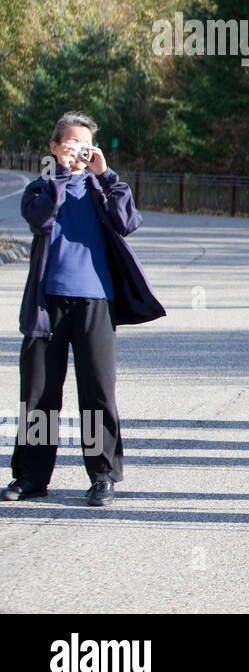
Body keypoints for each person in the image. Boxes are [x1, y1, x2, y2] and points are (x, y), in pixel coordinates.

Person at [3, 112, 164, 507]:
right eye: (70, 144)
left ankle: (102, 477)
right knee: (39, 394)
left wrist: (106, 175)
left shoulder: (101, 189)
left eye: (84, 145)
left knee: (96, 394)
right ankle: (31, 477)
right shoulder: (40, 190)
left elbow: (127, 221)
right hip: (47, 306)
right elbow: (40, 220)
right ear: (55, 148)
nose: (77, 151)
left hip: (96, 301)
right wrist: (60, 175)